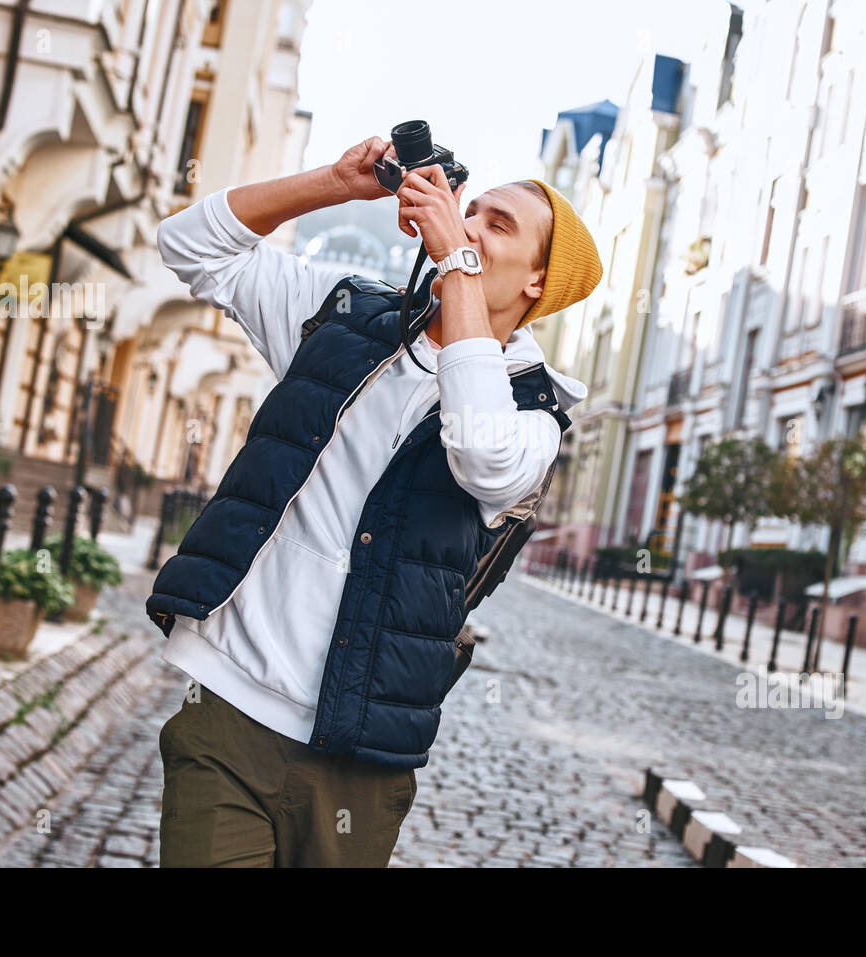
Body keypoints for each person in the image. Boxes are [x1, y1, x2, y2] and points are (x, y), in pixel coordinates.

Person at [149, 133, 602, 867]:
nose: (468, 225)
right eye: (470, 209)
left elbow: (479, 452)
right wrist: (335, 182)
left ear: (537, 282)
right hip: (230, 710)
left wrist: (456, 263)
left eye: (498, 226)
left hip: (360, 760)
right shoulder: (344, 317)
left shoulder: (534, 418)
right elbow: (190, 245)